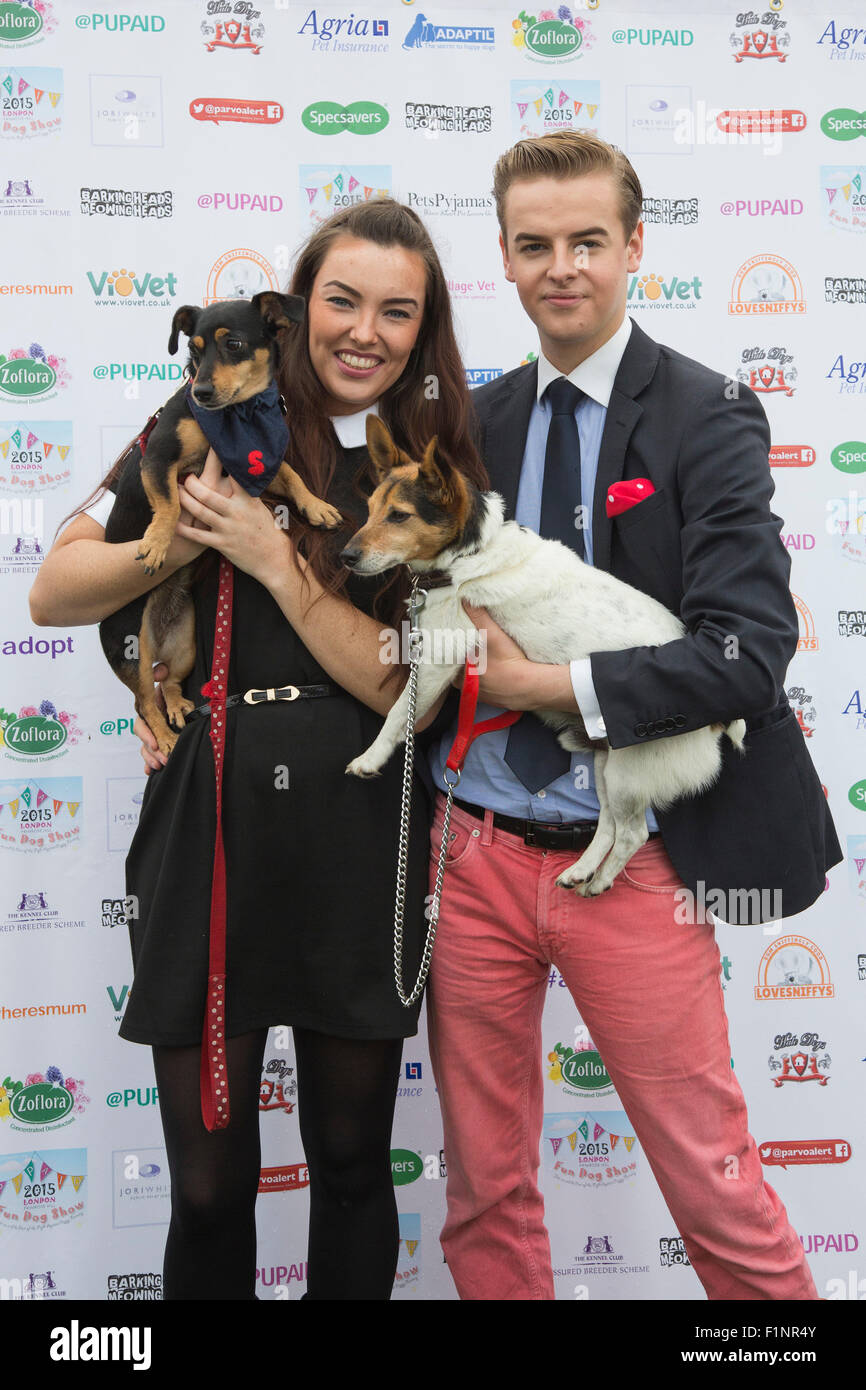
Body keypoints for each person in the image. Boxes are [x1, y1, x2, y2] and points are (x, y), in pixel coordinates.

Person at [29, 199, 487, 1300]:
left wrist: (276, 560)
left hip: (360, 818)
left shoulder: (435, 464)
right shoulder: (203, 414)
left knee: (345, 1162)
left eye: (396, 310)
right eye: (342, 299)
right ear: (291, 309)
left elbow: (404, 690)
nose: (363, 330)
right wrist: (179, 537)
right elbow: (54, 586)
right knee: (205, 1183)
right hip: (207, 807)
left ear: (422, 331)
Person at [415, 132, 842, 1300]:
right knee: (485, 1195)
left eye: (587, 240)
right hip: (475, 859)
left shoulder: (707, 412)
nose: (563, 266)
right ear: (503, 255)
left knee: (712, 1187)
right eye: (535, 243)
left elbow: (748, 655)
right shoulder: (473, 422)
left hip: (639, 863)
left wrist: (551, 692)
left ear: (633, 246)